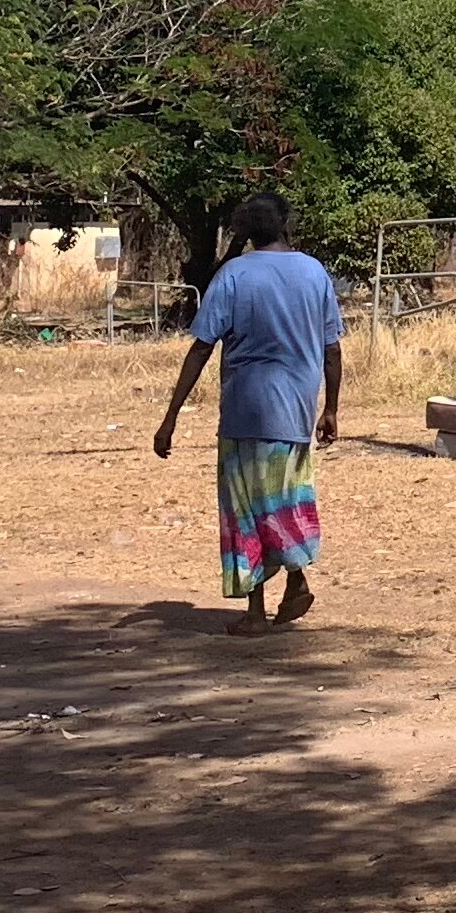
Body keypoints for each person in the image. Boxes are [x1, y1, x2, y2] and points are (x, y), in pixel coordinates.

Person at [151, 189, 344, 637]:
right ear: (286, 225)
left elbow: (201, 347)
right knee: (288, 500)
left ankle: (257, 611)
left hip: (244, 414)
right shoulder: (313, 273)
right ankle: (296, 578)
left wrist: (171, 416)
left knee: (244, 510)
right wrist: (330, 408)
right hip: (296, 413)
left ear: (244, 232)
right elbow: (332, 350)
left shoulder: (233, 275)